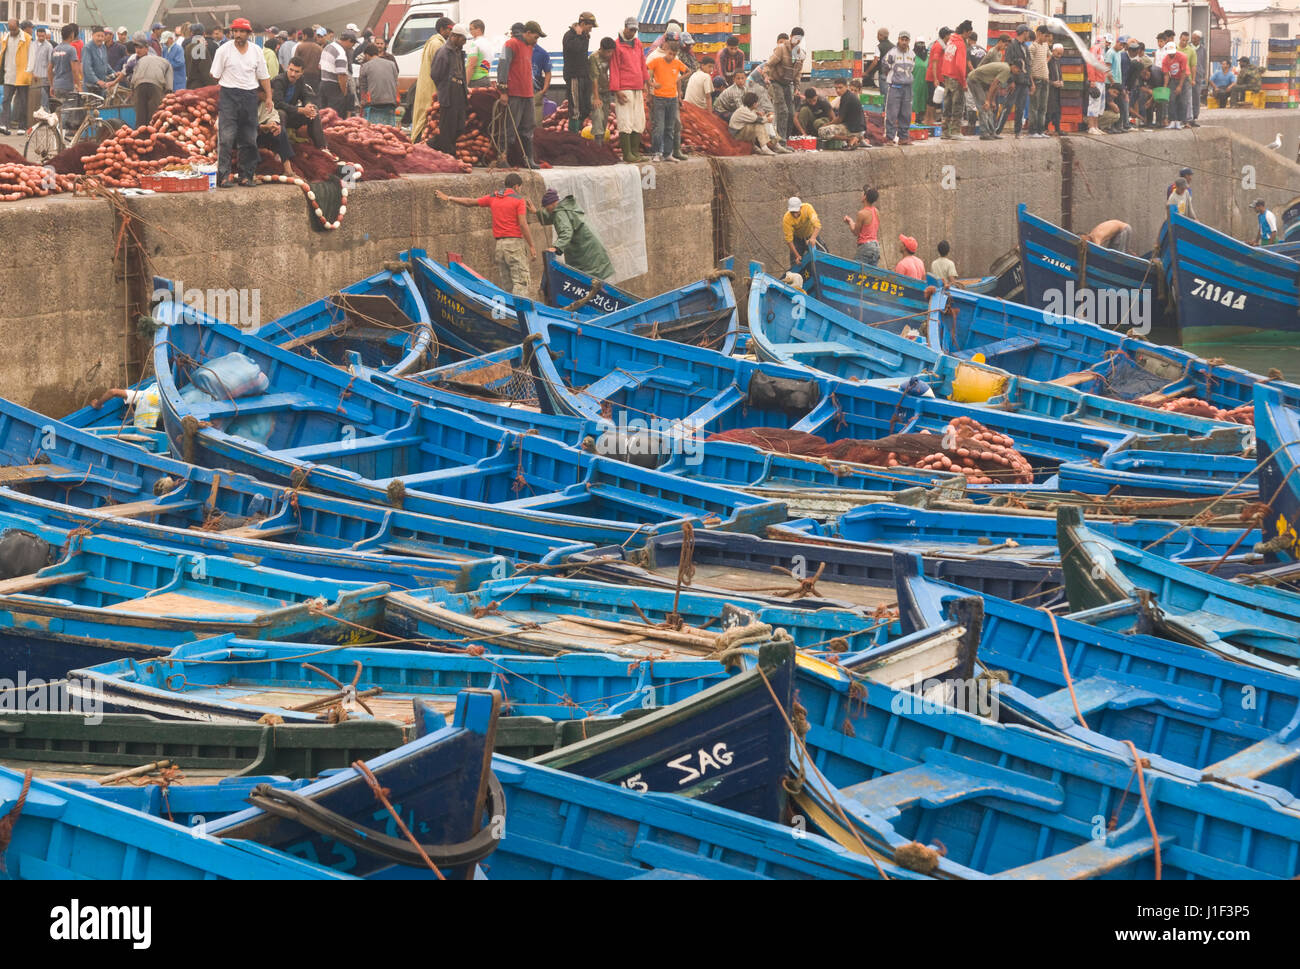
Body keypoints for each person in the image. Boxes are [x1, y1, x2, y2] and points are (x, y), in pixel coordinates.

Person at [436, 173, 537, 296]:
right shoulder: (519, 200)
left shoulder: (493, 197)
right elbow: (522, 223)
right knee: (521, 283)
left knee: (507, 285)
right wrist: (531, 245)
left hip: (500, 246)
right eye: (520, 188)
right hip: (515, 245)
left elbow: (469, 202)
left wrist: (449, 197)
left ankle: (510, 311)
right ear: (516, 186)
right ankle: (520, 313)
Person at [211, 18, 270, 188]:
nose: (238, 35)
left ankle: (246, 176)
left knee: (249, 138)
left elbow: (263, 76)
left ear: (248, 34)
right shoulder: (223, 50)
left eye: (241, 31)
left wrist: (268, 97)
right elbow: (215, 75)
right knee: (226, 138)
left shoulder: (256, 51)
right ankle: (223, 176)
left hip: (250, 96)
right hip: (229, 95)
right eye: (235, 31)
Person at [494, 20, 544, 169]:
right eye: (535, 37)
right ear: (527, 33)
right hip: (514, 93)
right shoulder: (511, 44)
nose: (536, 41)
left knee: (528, 127)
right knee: (509, 128)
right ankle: (502, 158)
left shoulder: (529, 47)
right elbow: (503, 66)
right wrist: (503, 91)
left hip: (527, 93)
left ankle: (528, 159)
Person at [539, 187, 615, 279]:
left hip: (585, 250)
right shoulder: (566, 207)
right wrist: (537, 212)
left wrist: (556, 247)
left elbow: (566, 232)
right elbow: (551, 217)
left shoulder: (560, 212)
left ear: (552, 203)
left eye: (547, 208)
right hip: (592, 246)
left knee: (586, 279)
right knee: (593, 280)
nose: (547, 210)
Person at [609, 17, 649, 163]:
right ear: (625, 27)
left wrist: (645, 81)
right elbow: (614, 68)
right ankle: (627, 154)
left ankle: (634, 152)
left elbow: (642, 63)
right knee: (625, 120)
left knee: (638, 120)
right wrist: (616, 90)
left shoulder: (638, 43)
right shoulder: (616, 45)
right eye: (631, 29)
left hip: (637, 86)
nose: (632, 32)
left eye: (635, 30)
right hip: (624, 87)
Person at [272, 57, 327, 151]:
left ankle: (321, 146)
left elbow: (306, 95)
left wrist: (308, 105)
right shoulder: (279, 81)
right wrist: (300, 110)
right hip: (274, 117)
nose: (293, 74)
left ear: (302, 72)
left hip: (291, 114)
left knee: (314, 109)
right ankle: (281, 150)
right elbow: (278, 103)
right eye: (291, 70)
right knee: (281, 113)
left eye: (297, 71)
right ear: (287, 68)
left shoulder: (300, 79)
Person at [410, 17, 451, 141]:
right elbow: (439, 68)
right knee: (426, 117)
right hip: (431, 87)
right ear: (442, 29)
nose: (451, 33)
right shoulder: (437, 44)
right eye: (449, 29)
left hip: (429, 85)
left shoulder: (436, 42)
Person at [428, 24, 467, 153]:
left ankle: (432, 144)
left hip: (459, 90)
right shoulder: (443, 52)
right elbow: (435, 74)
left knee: (459, 126)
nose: (464, 42)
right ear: (454, 37)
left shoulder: (458, 52)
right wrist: (445, 86)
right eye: (462, 39)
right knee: (448, 125)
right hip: (449, 91)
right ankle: (448, 152)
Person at [648, 46, 688, 162]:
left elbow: (688, 71)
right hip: (659, 98)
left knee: (670, 128)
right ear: (665, 51)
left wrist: (677, 80)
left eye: (674, 54)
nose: (671, 56)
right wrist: (652, 84)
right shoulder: (656, 61)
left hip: (672, 98)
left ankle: (668, 153)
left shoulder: (677, 62)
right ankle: (656, 152)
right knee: (659, 127)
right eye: (670, 53)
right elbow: (645, 72)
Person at [563, 13, 597, 134]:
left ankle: (581, 131)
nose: (591, 30)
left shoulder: (584, 36)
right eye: (590, 26)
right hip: (574, 76)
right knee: (575, 108)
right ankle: (574, 136)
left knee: (586, 107)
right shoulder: (569, 36)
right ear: (582, 24)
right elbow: (576, 50)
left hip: (584, 76)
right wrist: (579, 35)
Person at [879, 32, 913, 144]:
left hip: (907, 88)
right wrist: (893, 78)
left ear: (909, 41)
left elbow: (912, 68)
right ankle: (889, 137)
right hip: (894, 87)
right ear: (898, 39)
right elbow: (884, 66)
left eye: (906, 40)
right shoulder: (892, 53)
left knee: (906, 114)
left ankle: (903, 137)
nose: (904, 42)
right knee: (892, 114)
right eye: (902, 39)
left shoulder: (912, 54)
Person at [967, 56, 1010, 140]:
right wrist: (987, 100)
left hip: (984, 83)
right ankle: (984, 133)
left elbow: (996, 86)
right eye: (1018, 70)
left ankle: (991, 132)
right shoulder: (1006, 69)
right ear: (1015, 67)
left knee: (989, 108)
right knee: (983, 106)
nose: (1018, 72)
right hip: (974, 80)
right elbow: (994, 84)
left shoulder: (1008, 71)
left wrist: (992, 101)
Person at [129, 38, 171, 126]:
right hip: (155, 85)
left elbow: (133, 79)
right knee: (154, 113)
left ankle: (140, 135)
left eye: (140, 47)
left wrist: (132, 89)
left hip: (139, 84)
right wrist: (168, 92)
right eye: (137, 48)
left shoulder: (140, 60)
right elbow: (169, 84)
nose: (138, 50)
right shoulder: (166, 62)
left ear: (147, 49)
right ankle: (154, 133)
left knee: (140, 113)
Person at [0, 18, 30, 135]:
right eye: (10, 29)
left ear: (18, 27)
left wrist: (31, 71)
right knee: (6, 100)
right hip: (9, 75)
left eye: (13, 29)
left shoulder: (26, 38)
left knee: (22, 102)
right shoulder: (5, 38)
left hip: (22, 75)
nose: (11, 31)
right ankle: (4, 125)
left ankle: (22, 126)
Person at [940, 21, 969, 140]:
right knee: (957, 105)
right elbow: (960, 65)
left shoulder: (951, 41)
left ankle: (945, 131)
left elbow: (946, 60)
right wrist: (963, 82)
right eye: (969, 33)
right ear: (966, 32)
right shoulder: (961, 43)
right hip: (956, 78)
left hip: (947, 77)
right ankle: (956, 131)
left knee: (947, 105)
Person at [257, 85, 295, 176]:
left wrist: (274, 125)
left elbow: (273, 115)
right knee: (249, 134)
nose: (270, 96)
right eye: (267, 94)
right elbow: (245, 126)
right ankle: (251, 172)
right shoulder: (246, 101)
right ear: (259, 93)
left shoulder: (267, 102)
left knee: (281, 132)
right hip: (246, 136)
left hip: (261, 133)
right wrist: (264, 127)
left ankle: (288, 171)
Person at [359, 41, 400, 126]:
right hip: (391, 102)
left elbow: (363, 87)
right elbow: (396, 82)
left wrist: (363, 102)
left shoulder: (365, 66)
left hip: (374, 103)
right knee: (389, 129)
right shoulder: (392, 64)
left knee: (373, 129)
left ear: (367, 55)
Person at [765, 32, 796, 140]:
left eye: (783, 42)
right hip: (776, 83)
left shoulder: (793, 53)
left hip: (787, 85)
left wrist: (797, 87)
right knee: (782, 111)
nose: (781, 44)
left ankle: (785, 139)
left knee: (790, 113)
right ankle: (780, 140)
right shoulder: (778, 52)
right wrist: (766, 76)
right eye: (780, 42)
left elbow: (796, 71)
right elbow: (768, 65)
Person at [319, 29, 355, 117]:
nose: (352, 46)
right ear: (349, 41)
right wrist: (344, 93)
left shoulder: (328, 47)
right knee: (335, 117)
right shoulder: (340, 52)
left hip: (323, 84)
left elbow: (319, 66)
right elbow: (341, 75)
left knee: (324, 116)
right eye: (352, 43)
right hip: (334, 87)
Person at [823, 76, 865, 147]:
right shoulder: (846, 97)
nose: (838, 90)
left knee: (822, 131)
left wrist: (827, 124)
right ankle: (853, 140)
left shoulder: (847, 98)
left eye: (840, 88)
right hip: (857, 129)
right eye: (836, 88)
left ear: (846, 87)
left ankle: (850, 139)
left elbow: (839, 119)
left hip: (853, 130)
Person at [844, 186, 880, 265]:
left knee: (856, 273)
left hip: (866, 247)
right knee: (870, 275)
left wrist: (850, 222)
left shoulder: (862, 213)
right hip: (876, 247)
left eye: (863, 194)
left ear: (865, 197)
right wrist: (852, 221)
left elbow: (856, 232)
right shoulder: (876, 211)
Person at [587, 36, 613, 141]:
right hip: (595, 91)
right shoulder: (594, 57)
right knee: (598, 116)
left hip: (606, 91)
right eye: (607, 52)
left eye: (611, 52)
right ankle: (597, 144)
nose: (609, 54)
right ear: (601, 48)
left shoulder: (612, 56)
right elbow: (594, 78)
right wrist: (596, 98)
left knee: (604, 119)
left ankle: (601, 144)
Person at [783, 197, 821, 266]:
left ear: (800, 207)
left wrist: (813, 238)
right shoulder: (786, 218)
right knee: (795, 263)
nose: (795, 215)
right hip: (797, 239)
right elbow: (789, 240)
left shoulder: (807, 208)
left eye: (796, 212)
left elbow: (817, 225)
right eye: (792, 212)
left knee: (823, 255)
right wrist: (797, 255)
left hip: (811, 235)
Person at [1026, 26, 1050, 137]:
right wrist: (1032, 83)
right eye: (1046, 36)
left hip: (1045, 79)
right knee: (1034, 107)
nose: (1047, 38)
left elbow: (1049, 55)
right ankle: (1032, 131)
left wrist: (1043, 64)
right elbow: (1028, 66)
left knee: (1043, 107)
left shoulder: (1045, 45)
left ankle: (1041, 130)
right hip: (1036, 79)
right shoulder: (1032, 47)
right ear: (1039, 33)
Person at [49, 24, 80, 105]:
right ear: (72, 35)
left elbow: (49, 69)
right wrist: (79, 85)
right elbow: (74, 70)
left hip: (57, 86)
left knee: (59, 109)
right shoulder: (71, 49)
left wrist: (52, 85)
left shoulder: (55, 49)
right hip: (67, 86)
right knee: (68, 111)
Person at [1162, 39, 1189, 129]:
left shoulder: (1182, 57)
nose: (1171, 54)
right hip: (1173, 79)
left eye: (1172, 52)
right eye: (1170, 53)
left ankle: (1181, 121)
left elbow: (1183, 72)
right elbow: (1166, 75)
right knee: (1171, 99)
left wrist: (1180, 86)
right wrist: (1165, 87)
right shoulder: (1165, 60)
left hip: (1184, 78)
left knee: (1182, 100)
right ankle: (1172, 120)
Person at [924, 28, 948, 126]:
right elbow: (934, 62)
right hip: (933, 77)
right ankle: (929, 121)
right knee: (932, 100)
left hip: (937, 77)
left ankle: (930, 120)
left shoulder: (942, 45)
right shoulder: (938, 46)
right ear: (945, 36)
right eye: (949, 35)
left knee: (934, 100)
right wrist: (935, 79)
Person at [81, 25, 115, 93]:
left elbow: (105, 63)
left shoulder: (103, 47)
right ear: (92, 35)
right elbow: (87, 68)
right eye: (98, 36)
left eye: (102, 36)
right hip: (91, 86)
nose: (100, 38)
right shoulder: (87, 48)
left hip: (102, 86)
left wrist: (113, 72)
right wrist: (97, 81)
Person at [293, 27, 323, 99]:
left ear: (305, 35)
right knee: (314, 96)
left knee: (301, 96)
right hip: (315, 76)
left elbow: (295, 62)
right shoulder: (319, 48)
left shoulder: (300, 47)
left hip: (302, 76)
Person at [531, 24, 552, 125]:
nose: (536, 40)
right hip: (519, 92)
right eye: (535, 37)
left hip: (536, 92)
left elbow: (548, 72)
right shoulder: (517, 49)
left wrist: (544, 90)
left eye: (537, 38)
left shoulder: (542, 53)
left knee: (536, 123)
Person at [28, 25, 52, 111]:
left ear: (45, 35)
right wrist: (31, 73)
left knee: (44, 99)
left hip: (44, 77)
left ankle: (46, 113)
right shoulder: (32, 45)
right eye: (39, 36)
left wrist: (50, 77)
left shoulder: (49, 46)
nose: (41, 37)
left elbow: (51, 62)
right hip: (33, 77)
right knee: (34, 99)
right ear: (36, 35)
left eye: (43, 36)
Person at [465, 20, 492, 88]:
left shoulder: (475, 44)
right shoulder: (488, 44)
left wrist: (465, 85)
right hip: (485, 78)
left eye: (471, 29)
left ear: (478, 30)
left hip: (475, 81)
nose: (470, 32)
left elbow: (471, 66)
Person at [1046, 42, 1064, 134]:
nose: (1060, 55)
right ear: (1053, 51)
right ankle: (1045, 128)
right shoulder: (1049, 61)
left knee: (1057, 109)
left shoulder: (1058, 61)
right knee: (1049, 109)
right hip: (1049, 89)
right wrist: (1052, 83)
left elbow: (1059, 74)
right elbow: (1044, 76)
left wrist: (1061, 81)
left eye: (1061, 54)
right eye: (1058, 53)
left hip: (1057, 90)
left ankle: (1057, 128)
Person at [1190, 30, 1205, 124]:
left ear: (1199, 39)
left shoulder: (1203, 49)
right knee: (1187, 97)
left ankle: (1194, 117)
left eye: (1195, 38)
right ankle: (1186, 117)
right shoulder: (1188, 47)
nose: (1193, 39)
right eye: (1192, 37)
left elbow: (1204, 62)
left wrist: (1203, 74)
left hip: (1198, 76)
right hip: (1188, 75)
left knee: (1196, 96)